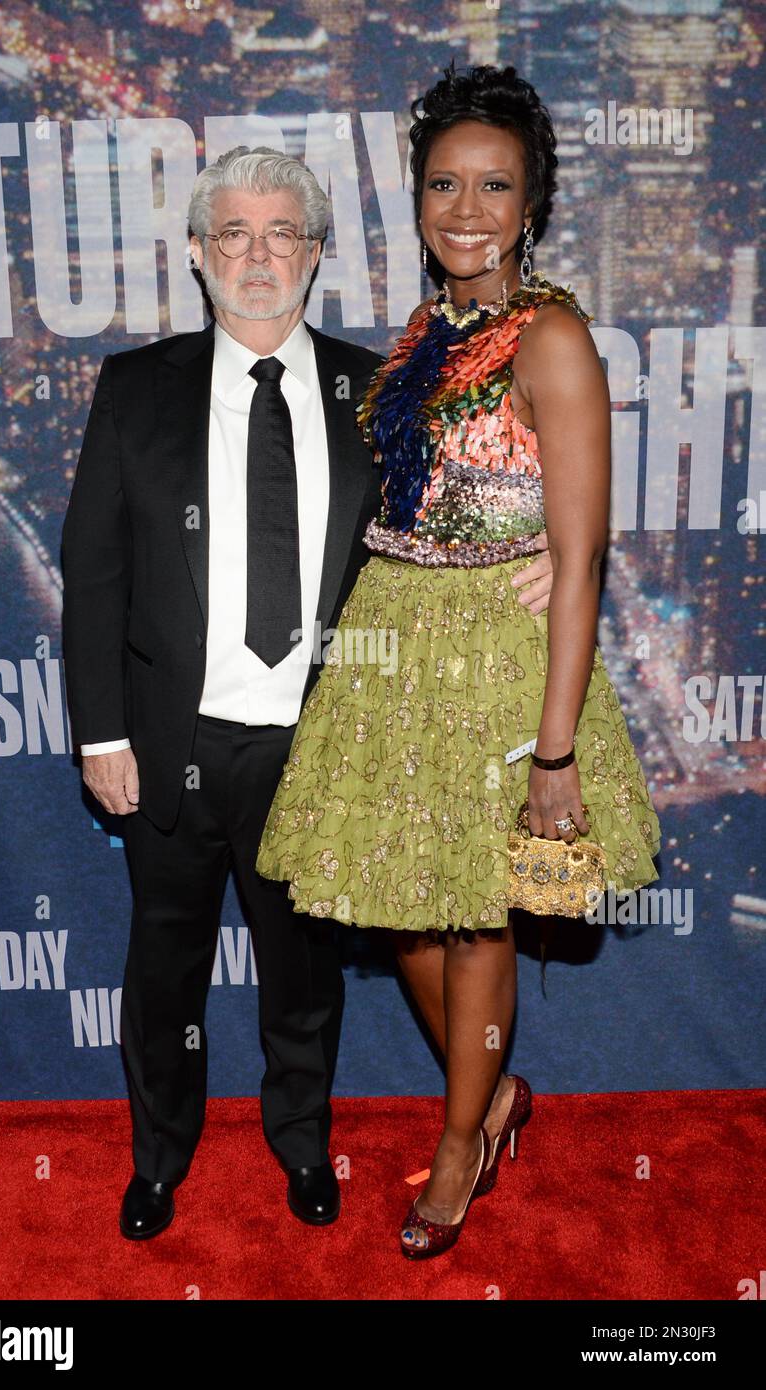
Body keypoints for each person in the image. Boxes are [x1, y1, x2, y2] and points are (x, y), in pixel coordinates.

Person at [60, 143, 558, 1240]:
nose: (257, 254)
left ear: (317, 253)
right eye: (232, 232)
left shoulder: (380, 392)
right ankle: (158, 1162)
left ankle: (301, 1146)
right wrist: (99, 731)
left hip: (325, 749)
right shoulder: (135, 391)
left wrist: (562, 552)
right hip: (168, 738)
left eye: (282, 231)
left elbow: (472, 505)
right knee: (164, 974)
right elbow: (93, 574)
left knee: (304, 983)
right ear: (197, 254)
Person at [255, 65, 662, 1259]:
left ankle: (458, 1145)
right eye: (445, 183)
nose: (467, 207)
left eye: (495, 185)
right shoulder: (437, 326)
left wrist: (555, 750)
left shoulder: (552, 334)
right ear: (418, 195)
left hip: (498, 657)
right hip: (397, 650)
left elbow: (580, 556)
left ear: (530, 201)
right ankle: (491, 1097)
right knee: (403, 905)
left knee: (478, 918)